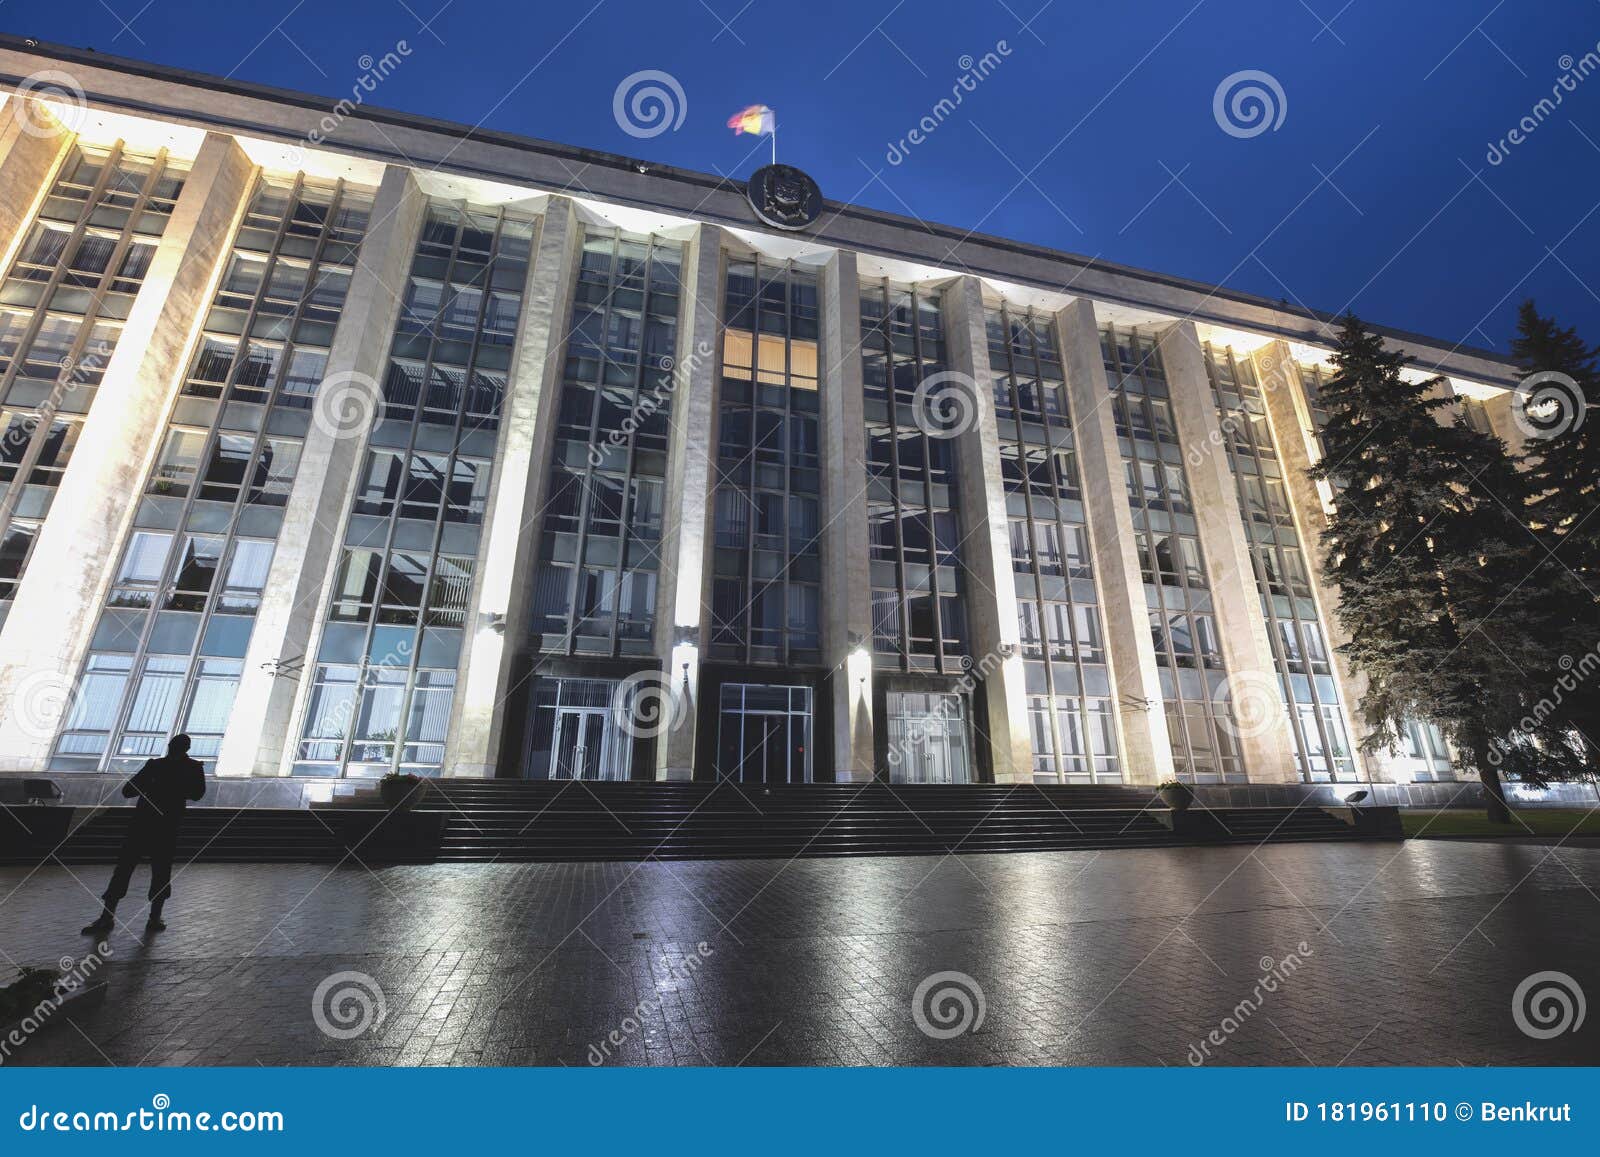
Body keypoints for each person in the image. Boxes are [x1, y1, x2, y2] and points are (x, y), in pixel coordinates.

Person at [81, 734, 206, 934]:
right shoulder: (190, 768)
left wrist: (156, 785)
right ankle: (153, 918)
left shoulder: (155, 766)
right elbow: (197, 793)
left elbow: (129, 790)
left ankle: (108, 916)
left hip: (145, 823)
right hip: (165, 825)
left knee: (128, 870)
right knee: (157, 872)